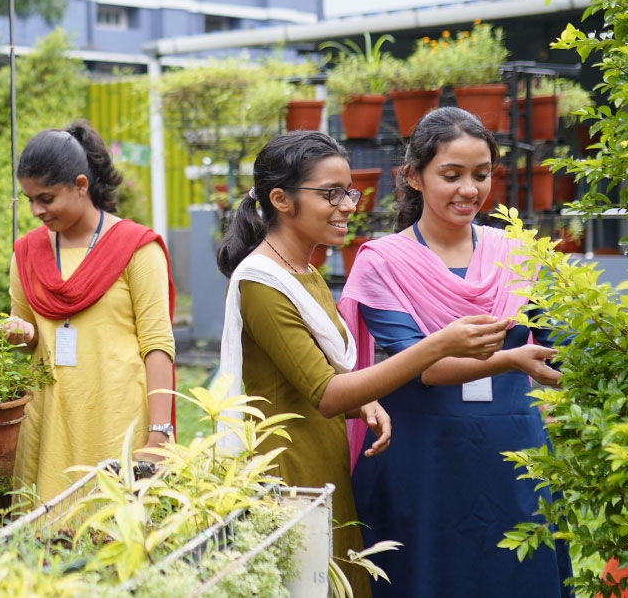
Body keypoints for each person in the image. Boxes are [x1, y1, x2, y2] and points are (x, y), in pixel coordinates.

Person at [214, 131, 511, 598]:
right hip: (288, 474)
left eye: (349, 191)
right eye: (330, 194)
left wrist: (365, 400)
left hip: (322, 464)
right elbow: (328, 394)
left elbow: (323, 377)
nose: (349, 205)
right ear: (281, 200)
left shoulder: (303, 271)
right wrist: (438, 345)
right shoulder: (262, 283)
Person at [338, 107, 574, 598]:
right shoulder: (385, 263)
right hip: (422, 460)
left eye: (482, 175)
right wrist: (510, 358)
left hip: (514, 453)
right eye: (452, 175)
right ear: (413, 177)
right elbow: (420, 365)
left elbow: (561, 343)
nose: (470, 189)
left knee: (518, 575)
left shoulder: (520, 254)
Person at [2, 120, 176, 501]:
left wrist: (159, 435)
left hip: (118, 422)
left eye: (46, 199)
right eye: (29, 199)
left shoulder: (136, 248)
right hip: (49, 425)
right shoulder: (27, 253)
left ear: (81, 186)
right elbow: (26, 337)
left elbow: (157, 344)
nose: (35, 210)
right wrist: (24, 335)